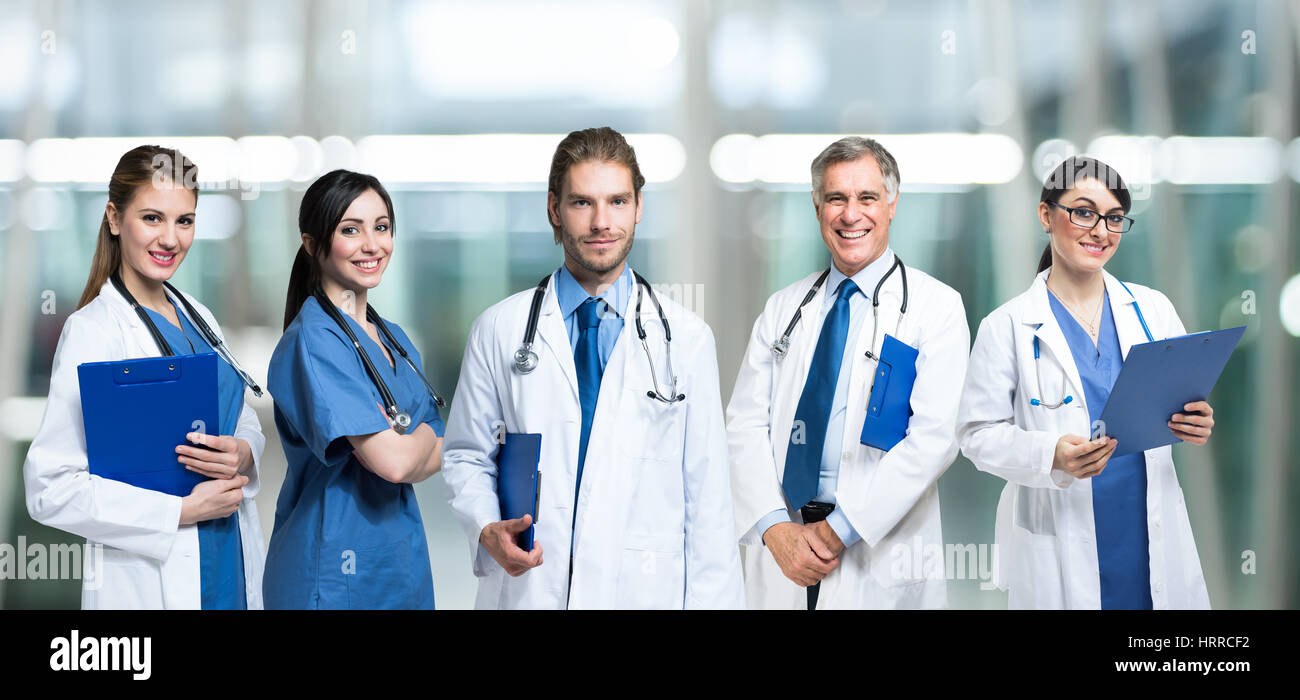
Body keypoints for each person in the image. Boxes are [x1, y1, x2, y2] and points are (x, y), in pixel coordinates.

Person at [441, 126, 744, 609]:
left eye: (618, 201)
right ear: (553, 210)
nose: (602, 221)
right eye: (582, 203)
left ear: (639, 207)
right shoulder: (499, 330)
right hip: (529, 588)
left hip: (642, 592)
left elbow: (708, 502)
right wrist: (485, 528)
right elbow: (465, 456)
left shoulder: (686, 340)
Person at [957, 156, 1214, 609]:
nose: (1100, 230)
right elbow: (976, 436)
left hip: (1148, 532)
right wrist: (1049, 455)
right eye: (1083, 212)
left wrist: (1196, 421)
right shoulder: (1008, 326)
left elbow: (1182, 399)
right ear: (1046, 216)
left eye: (1114, 218)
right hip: (1061, 537)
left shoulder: (1153, 310)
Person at [727, 136, 970, 609]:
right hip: (786, 546)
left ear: (892, 204)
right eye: (836, 198)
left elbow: (935, 439)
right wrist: (774, 526)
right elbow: (744, 425)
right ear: (817, 207)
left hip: (876, 551)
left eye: (867, 198)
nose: (850, 214)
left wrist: (839, 531)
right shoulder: (784, 309)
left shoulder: (935, 308)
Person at [24, 145, 266, 609]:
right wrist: (180, 511)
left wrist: (243, 452)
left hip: (231, 566)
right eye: (152, 218)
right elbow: (50, 488)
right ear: (114, 218)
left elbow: (240, 417)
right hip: (151, 583)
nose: (171, 239)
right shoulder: (94, 330)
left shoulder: (200, 317)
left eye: (185, 220)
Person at [263, 169, 444, 609]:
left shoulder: (395, 339)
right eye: (350, 229)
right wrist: (420, 437)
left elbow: (445, 453)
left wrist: (413, 444)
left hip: (399, 565)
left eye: (381, 227)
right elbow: (397, 463)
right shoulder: (315, 340)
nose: (372, 245)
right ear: (311, 243)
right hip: (332, 570)